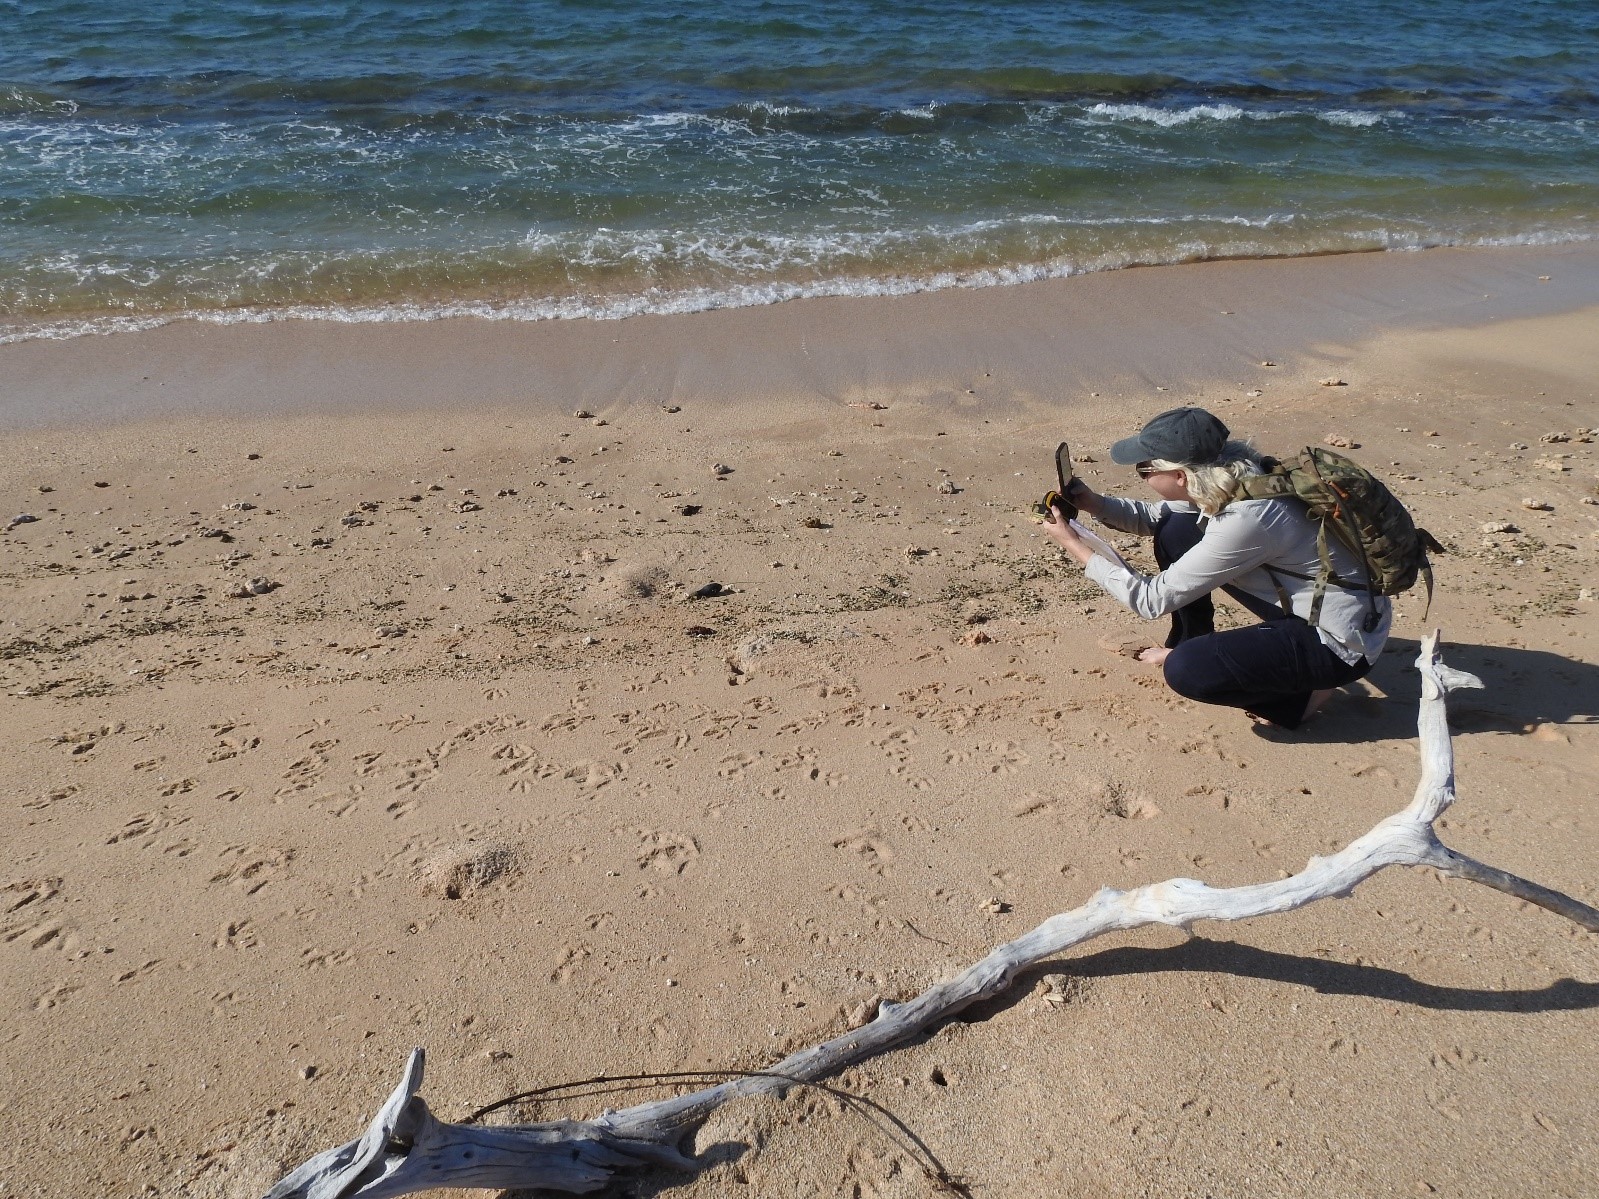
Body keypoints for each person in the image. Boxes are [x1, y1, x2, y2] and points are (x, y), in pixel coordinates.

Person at [1041, 407, 1390, 730]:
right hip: (1319, 602)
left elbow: (1149, 600)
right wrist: (1093, 503)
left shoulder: (1247, 518)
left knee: (1186, 669)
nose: (1143, 476)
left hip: (1341, 644)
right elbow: (1155, 519)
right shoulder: (1231, 476)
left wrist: (1073, 543)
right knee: (1176, 530)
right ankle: (1194, 640)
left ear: (1179, 476)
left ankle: (1301, 700)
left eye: (1145, 470)